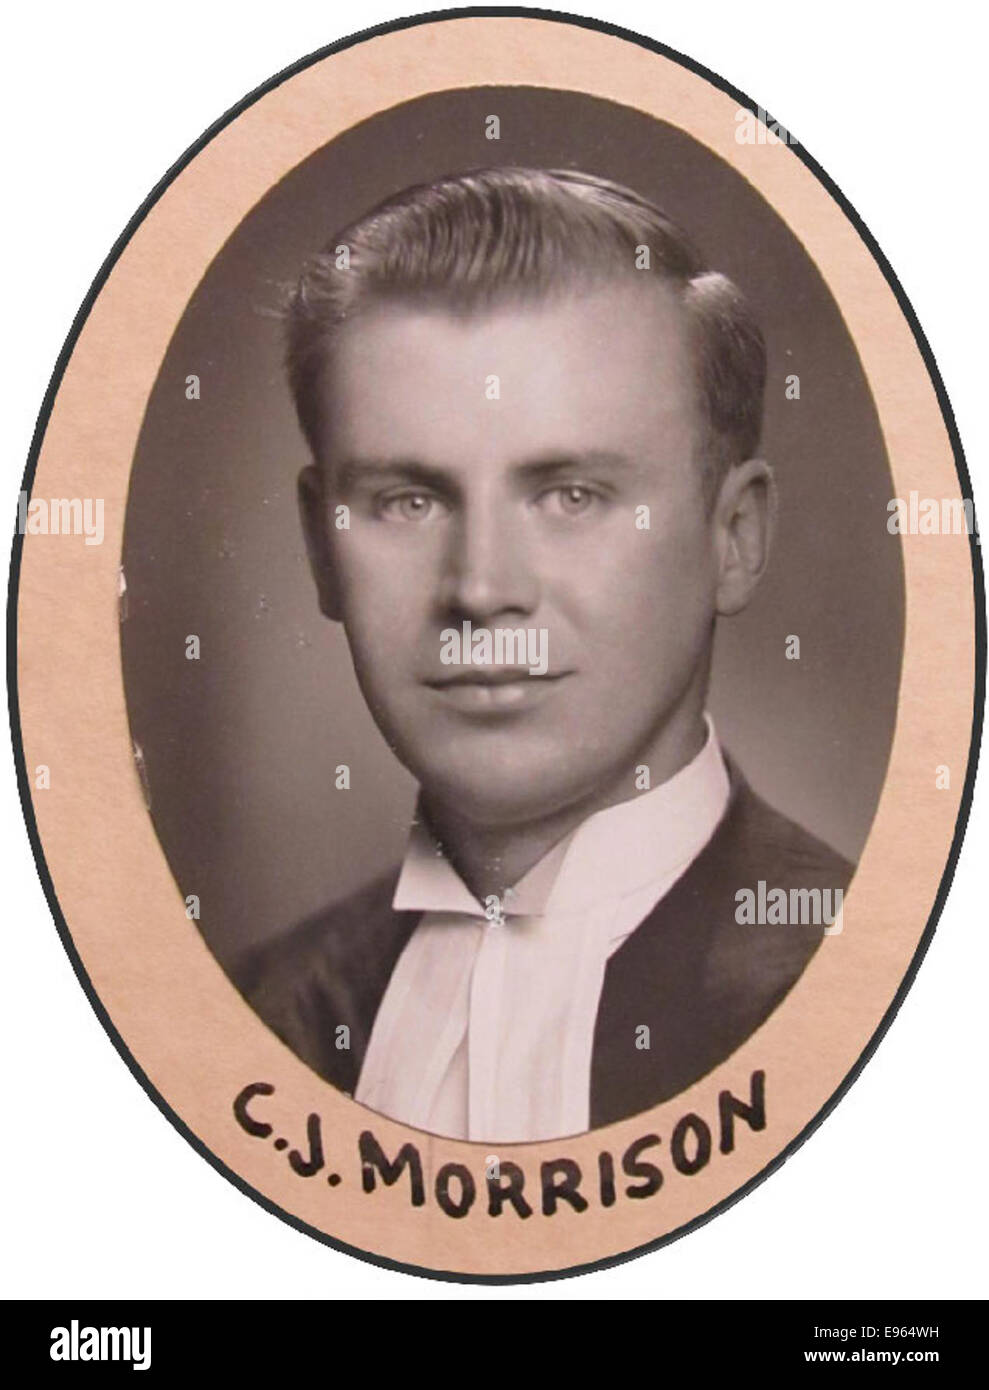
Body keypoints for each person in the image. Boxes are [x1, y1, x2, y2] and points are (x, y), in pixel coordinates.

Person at [236, 167, 852, 1142]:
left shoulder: (891, 994)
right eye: (408, 500)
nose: (480, 589)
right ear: (320, 548)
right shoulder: (244, 1021)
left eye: (569, 495)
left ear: (731, 537)